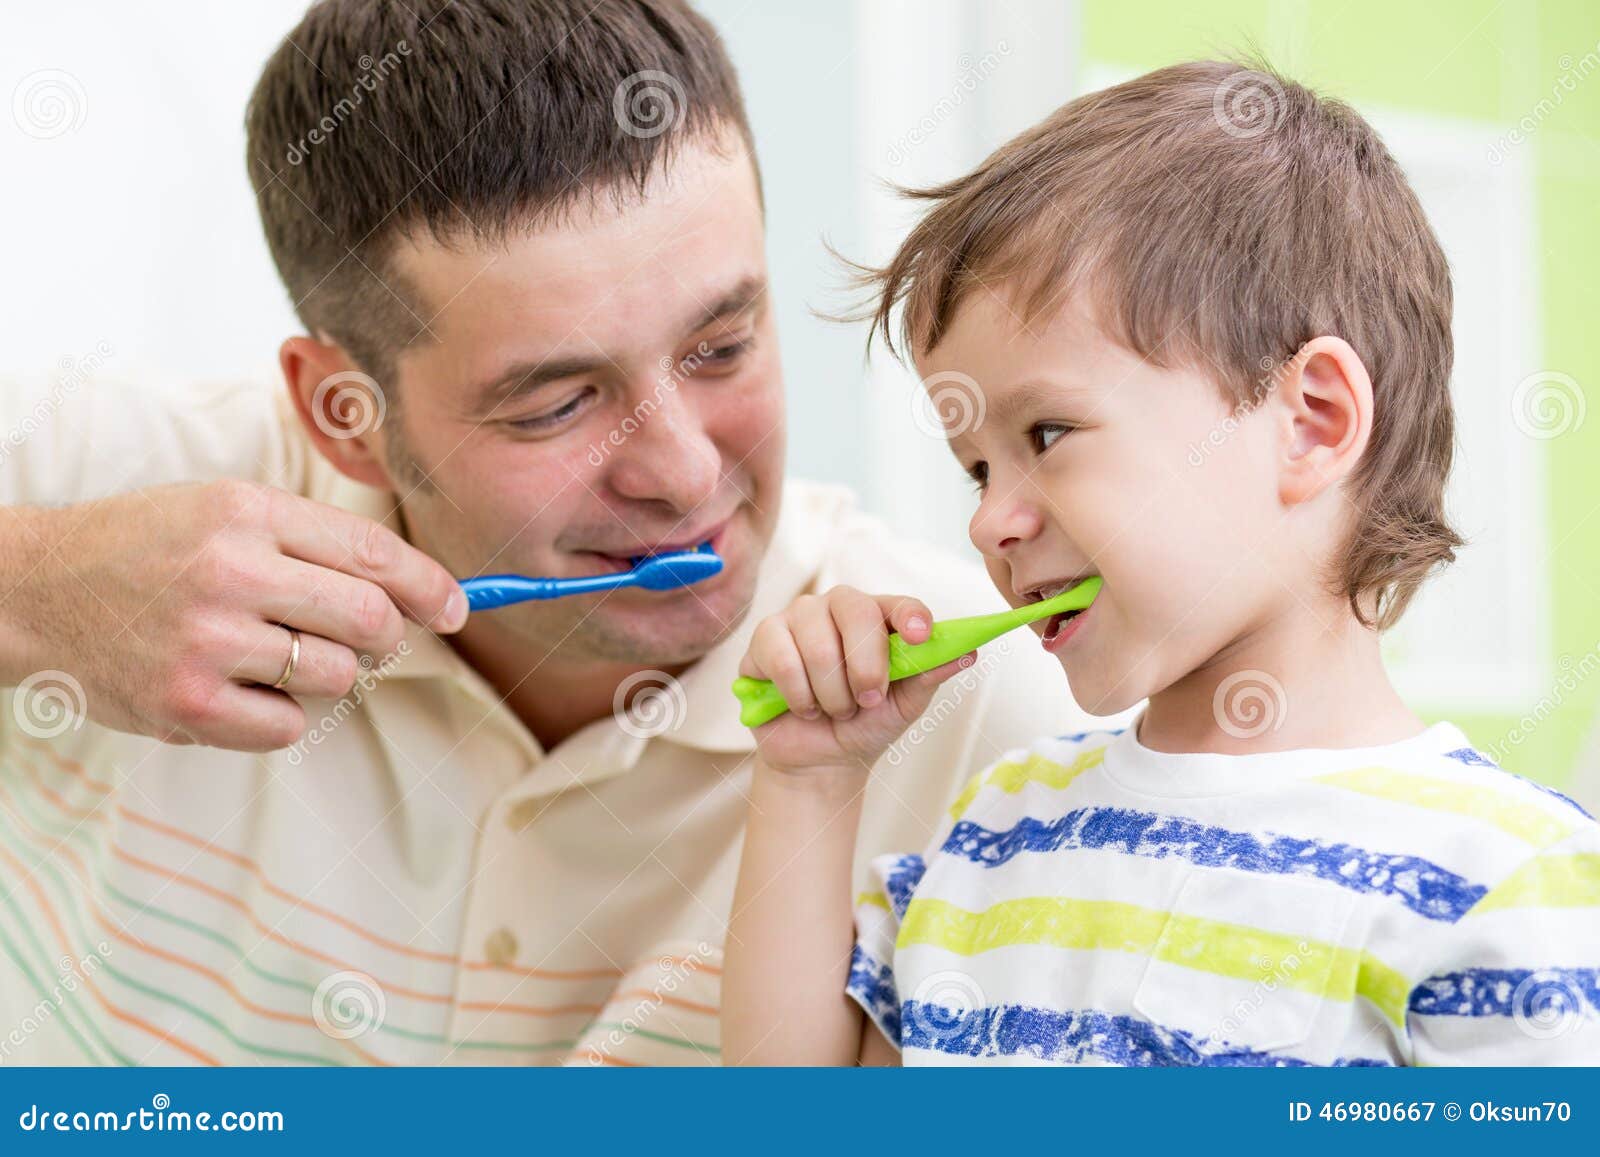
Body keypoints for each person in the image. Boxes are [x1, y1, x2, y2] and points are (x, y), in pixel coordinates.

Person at [0, 0, 1105, 1066]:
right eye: (555, 405)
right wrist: (35, 592)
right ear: (346, 414)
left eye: (721, 346)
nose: (682, 472)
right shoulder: (108, 488)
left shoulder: (993, 729)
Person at [721, 60, 1600, 1067]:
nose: (990, 523)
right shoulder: (1000, 829)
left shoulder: (1505, 882)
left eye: (1047, 432)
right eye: (974, 470)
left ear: (1309, 422)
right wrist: (808, 778)